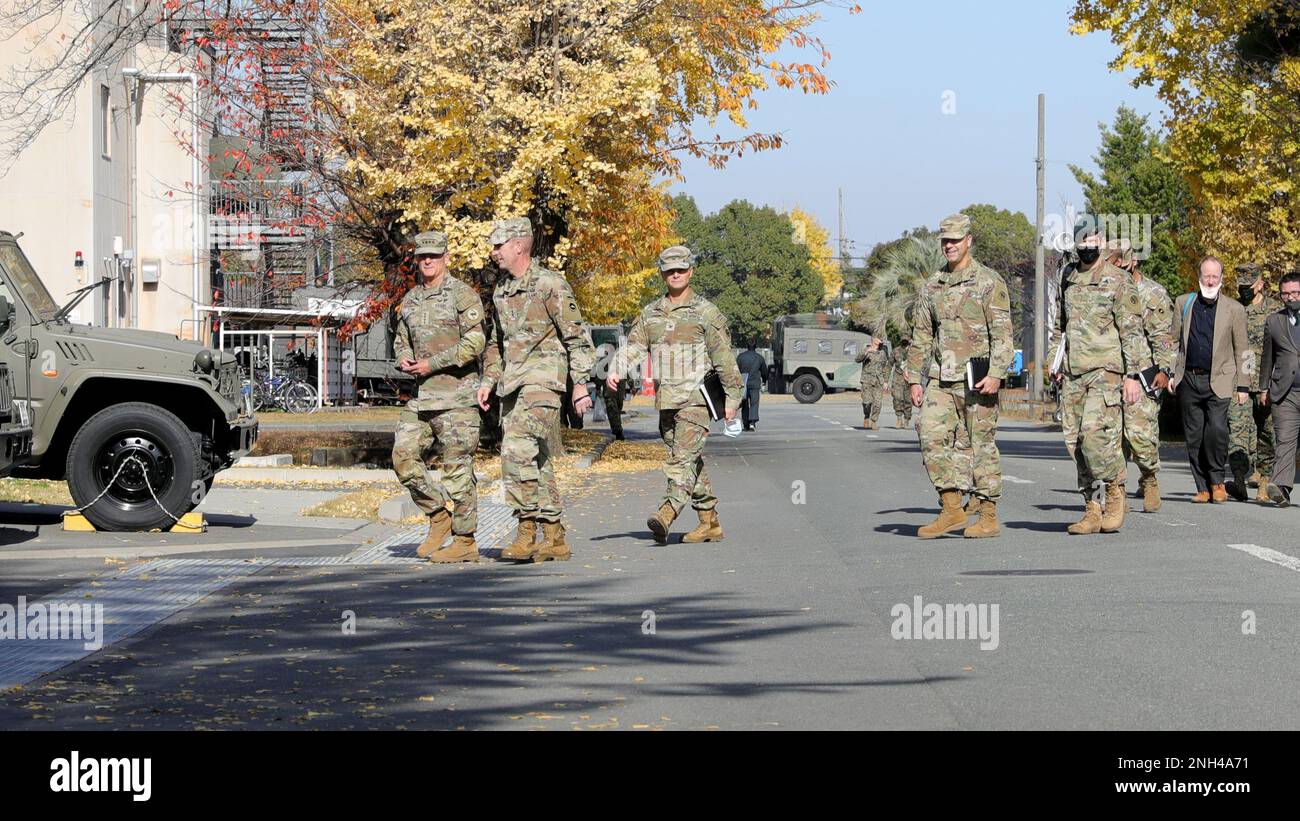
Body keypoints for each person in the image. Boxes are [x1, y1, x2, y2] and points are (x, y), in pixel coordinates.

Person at [608, 245, 744, 545]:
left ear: (691, 271)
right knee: (688, 460)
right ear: (662, 274)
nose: (676, 274)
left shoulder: (706, 312)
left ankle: (667, 513)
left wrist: (733, 397)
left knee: (681, 461)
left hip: (696, 401)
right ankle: (709, 522)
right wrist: (617, 367)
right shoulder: (651, 313)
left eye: (681, 269)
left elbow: (723, 357)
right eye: (670, 271)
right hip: (666, 401)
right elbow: (635, 345)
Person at [478, 217, 596, 562]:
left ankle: (526, 529)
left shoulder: (550, 284)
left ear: (518, 245)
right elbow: (496, 344)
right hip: (512, 384)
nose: (493, 251)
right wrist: (488, 380)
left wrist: (581, 386)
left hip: (544, 380)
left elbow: (577, 339)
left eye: (498, 245)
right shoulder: (502, 290)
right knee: (538, 459)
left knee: (515, 450)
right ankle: (555, 536)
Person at [906, 213, 1014, 539]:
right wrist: (914, 378)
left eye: (955, 240)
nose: (949, 246)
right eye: (945, 241)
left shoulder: (988, 282)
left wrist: (996, 373)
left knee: (981, 447)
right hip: (940, 378)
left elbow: (1003, 336)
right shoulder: (932, 286)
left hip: (977, 379)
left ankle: (988, 514)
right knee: (930, 436)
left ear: (969, 240)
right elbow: (922, 335)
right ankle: (952, 509)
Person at [391, 230, 487, 563]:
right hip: (421, 399)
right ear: (416, 260)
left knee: (457, 470)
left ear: (446, 257)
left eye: (433, 255)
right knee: (402, 457)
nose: (427, 261)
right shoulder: (411, 299)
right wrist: (403, 356)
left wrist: (432, 364)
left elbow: (476, 344)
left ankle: (465, 540)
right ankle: (438, 516)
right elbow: (400, 339)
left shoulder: (463, 295)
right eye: (422, 256)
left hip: (457, 398)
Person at [1048, 222, 1146, 534]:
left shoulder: (1118, 280)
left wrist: (1133, 375)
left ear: (1101, 240)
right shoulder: (1068, 277)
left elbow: (1131, 331)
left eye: (1090, 239)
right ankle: (1091, 507)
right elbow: (1060, 327)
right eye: (1081, 241)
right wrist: (1055, 361)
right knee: (1074, 442)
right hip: (1073, 372)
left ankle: (1116, 491)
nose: (1086, 245)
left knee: (1094, 436)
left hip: (1106, 371)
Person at [1170, 256, 1252, 504]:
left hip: (1221, 380)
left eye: (1215, 276)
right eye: (1206, 275)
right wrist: (1171, 373)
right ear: (1199, 276)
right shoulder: (1184, 303)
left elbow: (1244, 350)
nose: (1210, 280)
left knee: (1216, 431)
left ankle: (1217, 481)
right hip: (1189, 379)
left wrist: (1244, 385)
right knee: (1194, 436)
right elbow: (1172, 342)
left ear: (1222, 279)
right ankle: (1203, 487)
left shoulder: (1234, 309)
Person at [1113, 239, 1176, 513]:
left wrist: (1165, 370)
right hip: (1113, 372)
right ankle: (1118, 491)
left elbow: (1163, 336)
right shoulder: (1107, 288)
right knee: (1114, 437)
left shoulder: (1153, 293)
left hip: (1144, 373)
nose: (1118, 271)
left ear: (1133, 262)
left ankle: (1149, 477)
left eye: (1122, 266)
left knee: (1140, 433)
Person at [1227, 263, 1282, 502]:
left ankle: (1265, 478)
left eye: (1248, 286)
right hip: (1238, 381)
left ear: (1260, 283)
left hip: (1266, 381)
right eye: (1241, 287)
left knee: (1267, 432)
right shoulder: (1233, 308)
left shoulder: (1275, 310)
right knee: (1237, 431)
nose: (1244, 291)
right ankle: (1239, 478)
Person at [1258, 270, 1300, 507]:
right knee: (1284, 440)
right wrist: (1264, 387)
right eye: (1286, 294)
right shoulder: (1274, 321)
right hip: (1285, 393)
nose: (1291, 297)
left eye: (1295, 292)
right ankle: (1281, 489)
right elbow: (1267, 358)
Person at [856, 336, 887, 430]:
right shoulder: (866, 349)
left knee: (878, 403)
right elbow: (857, 359)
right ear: (874, 340)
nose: (881, 340)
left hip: (878, 381)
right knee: (867, 402)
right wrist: (866, 352)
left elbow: (885, 367)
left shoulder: (882, 353)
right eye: (879, 338)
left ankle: (874, 421)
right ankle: (866, 416)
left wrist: (885, 381)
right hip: (867, 380)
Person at [736, 342, 768, 431]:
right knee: (754, 403)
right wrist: (764, 380)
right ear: (755, 347)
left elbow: (735, 370)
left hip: (743, 383)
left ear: (747, 346)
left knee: (744, 404)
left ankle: (745, 424)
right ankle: (752, 423)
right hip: (755, 383)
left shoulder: (740, 357)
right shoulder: (759, 358)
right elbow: (764, 371)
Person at [890, 336, 913, 428]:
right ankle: (899, 418)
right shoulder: (896, 351)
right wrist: (885, 380)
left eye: (906, 340)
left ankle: (906, 419)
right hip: (897, 378)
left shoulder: (913, 351)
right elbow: (889, 364)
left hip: (909, 378)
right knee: (897, 398)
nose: (905, 341)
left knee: (908, 401)